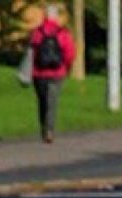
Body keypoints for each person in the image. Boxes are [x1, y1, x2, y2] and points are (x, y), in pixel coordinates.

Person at [28, 4, 77, 144]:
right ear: (55, 16)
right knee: (52, 102)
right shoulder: (63, 33)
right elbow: (70, 53)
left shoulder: (37, 32)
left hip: (39, 73)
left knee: (42, 102)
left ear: (45, 16)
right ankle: (49, 130)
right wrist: (66, 67)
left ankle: (43, 128)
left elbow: (31, 53)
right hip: (57, 72)